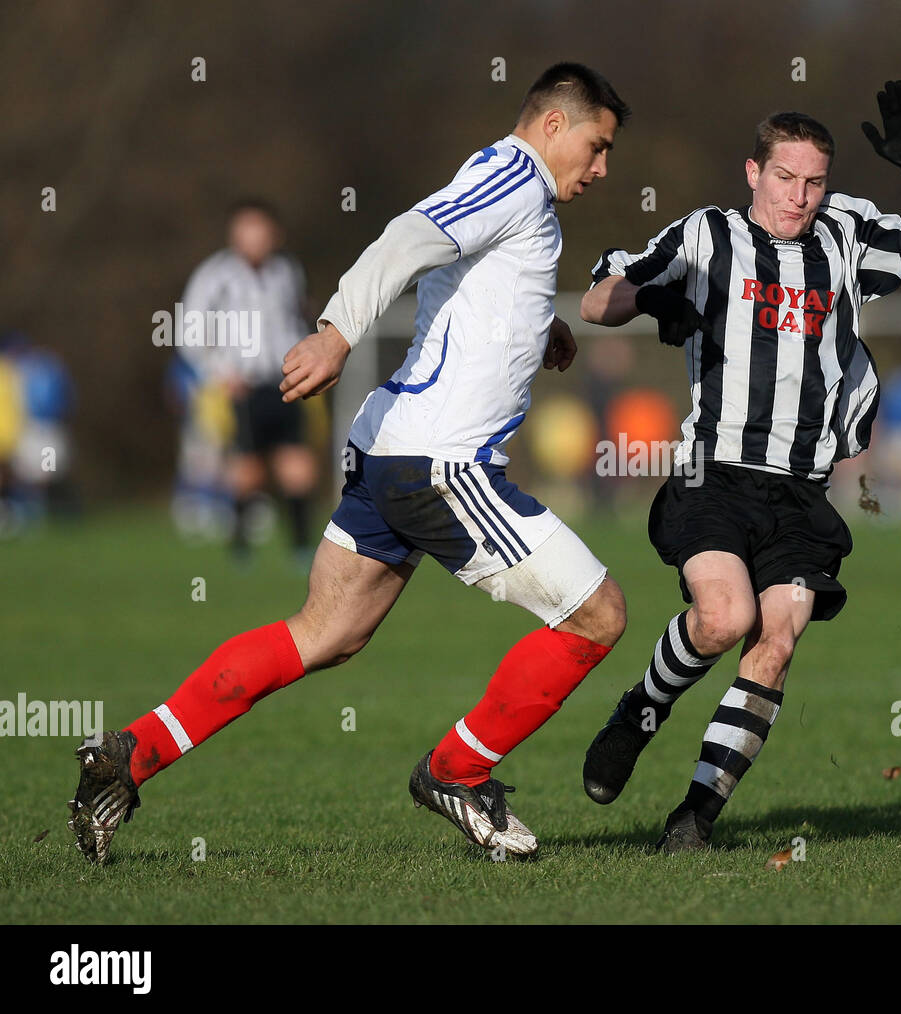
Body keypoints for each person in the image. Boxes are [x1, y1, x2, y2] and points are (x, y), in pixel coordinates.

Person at [68, 62, 631, 863]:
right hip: (442, 466)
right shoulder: (515, 176)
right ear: (552, 126)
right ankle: (457, 773)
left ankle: (130, 755)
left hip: (391, 452)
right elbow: (408, 237)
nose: (603, 168)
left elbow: (464, 279)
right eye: (597, 144)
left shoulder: (505, 184)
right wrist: (336, 330)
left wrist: (538, 326)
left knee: (323, 633)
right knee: (598, 613)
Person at [579, 82, 901, 850]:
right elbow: (600, 301)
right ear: (752, 173)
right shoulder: (707, 236)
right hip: (716, 475)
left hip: (801, 491)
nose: (799, 198)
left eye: (814, 182)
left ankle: (695, 815)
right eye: (785, 179)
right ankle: (640, 711)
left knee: (776, 640)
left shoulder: (846, 234)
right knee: (724, 618)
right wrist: (636, 296)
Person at [180, 199, 319, 561]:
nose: (254, 238)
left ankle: (302, 546)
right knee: (248, 468)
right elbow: (190, 330)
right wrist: (220, 372)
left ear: (274, 234)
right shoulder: (215, 275)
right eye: (246, 229)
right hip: (242, 384)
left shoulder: (287, 271)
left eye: (260, 230)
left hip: (284, 381)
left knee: (298, 463)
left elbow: (297, 319)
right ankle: (240, 547)